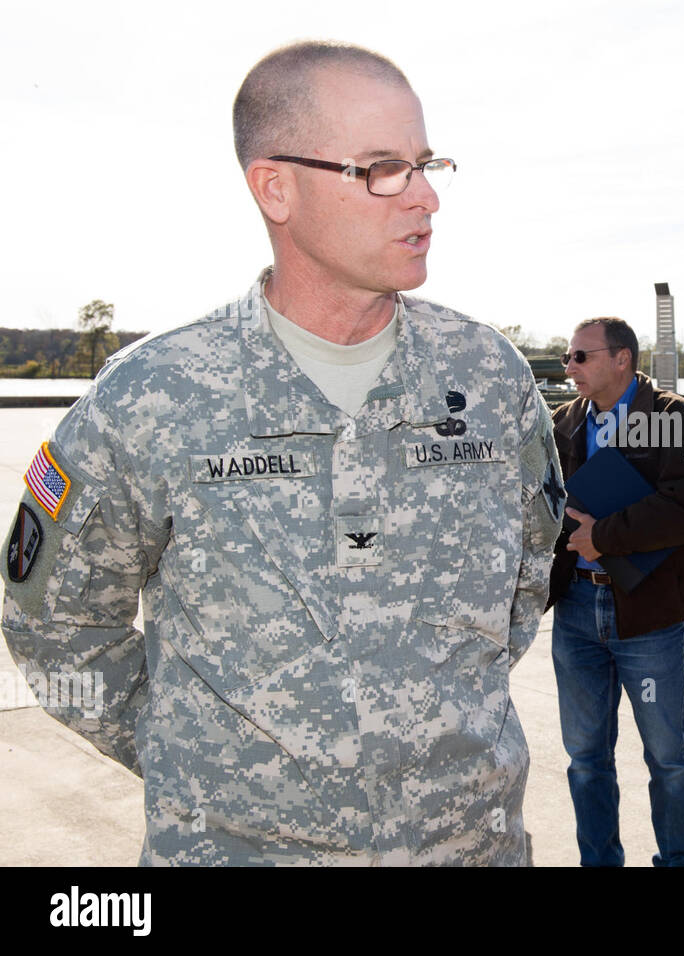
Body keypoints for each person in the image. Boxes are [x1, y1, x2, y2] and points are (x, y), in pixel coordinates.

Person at [2, 41, 564, 865]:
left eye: (425, 164)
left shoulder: (487, 378)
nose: (426, 197)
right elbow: (52, 623)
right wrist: (192, 755)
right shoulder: (154, 395)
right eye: (383, 170)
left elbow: (526, 584)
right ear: (276, 188)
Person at [546, 317, 684, 866]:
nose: (569, 367)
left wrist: (605, 536)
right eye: (567, 357)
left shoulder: (672, 418)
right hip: (576, 609)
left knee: (668, 757)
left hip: (648, 612)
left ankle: (679, 860)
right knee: (585, 759)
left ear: (622, 358)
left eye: (580, 356)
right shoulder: (563, 422)